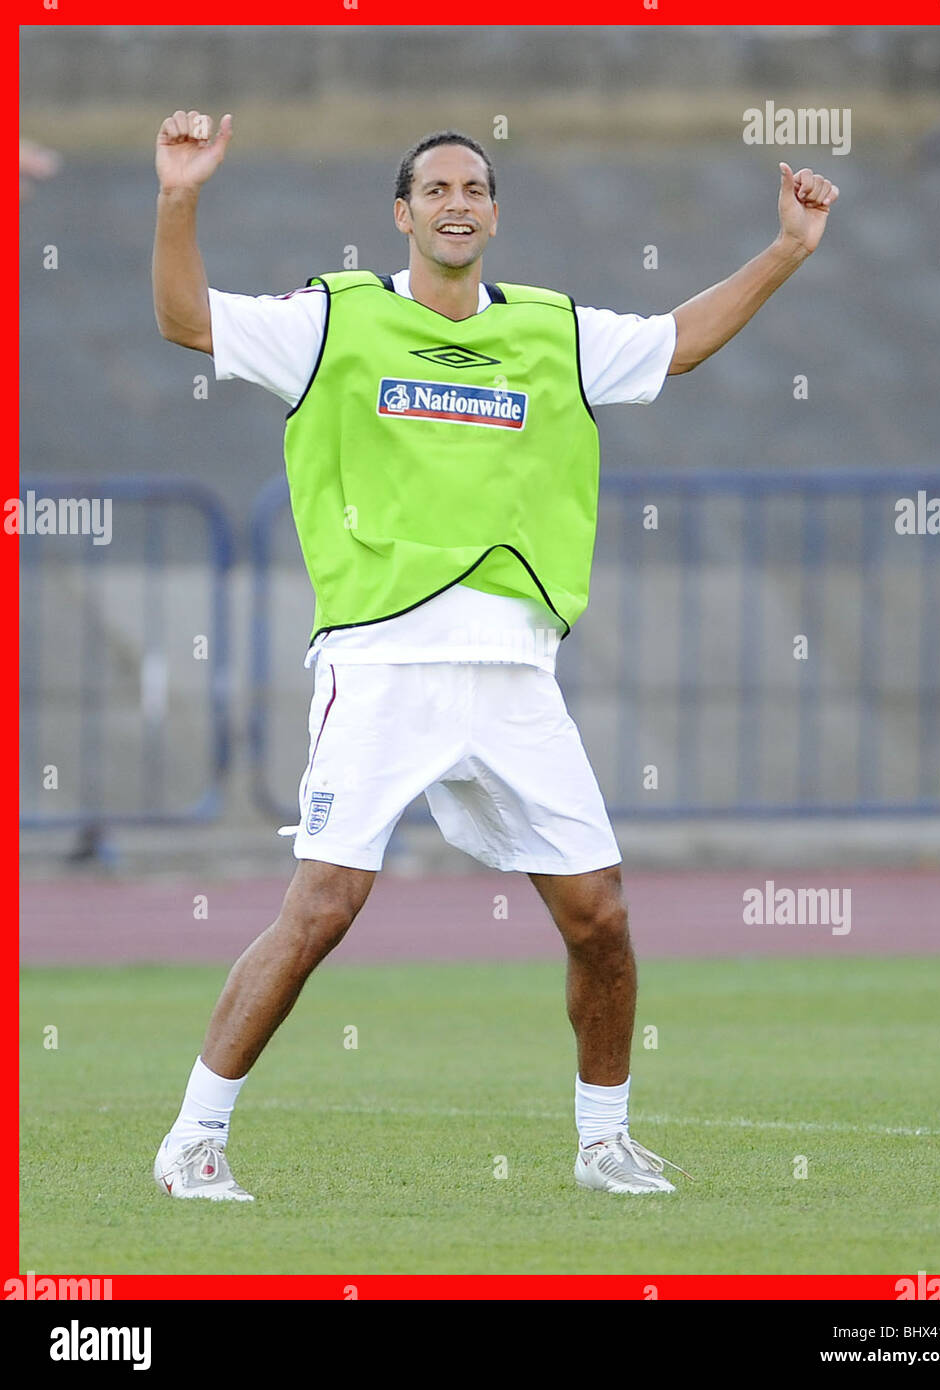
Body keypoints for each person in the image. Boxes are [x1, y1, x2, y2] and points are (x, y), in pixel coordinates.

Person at [151, 110, 838, 1200]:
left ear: (495, 212)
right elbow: (187, 318)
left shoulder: (552, 332)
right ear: (402, 214)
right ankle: (193, 1136)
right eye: (436, 189)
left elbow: (678, 342)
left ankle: (604, 1140)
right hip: (381, 664)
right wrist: (181, 194)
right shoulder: (336, 317)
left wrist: (788, 252)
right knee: (322, 908)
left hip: (516, 672)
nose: (457, 202)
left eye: (474, 187)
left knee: (600, 915)